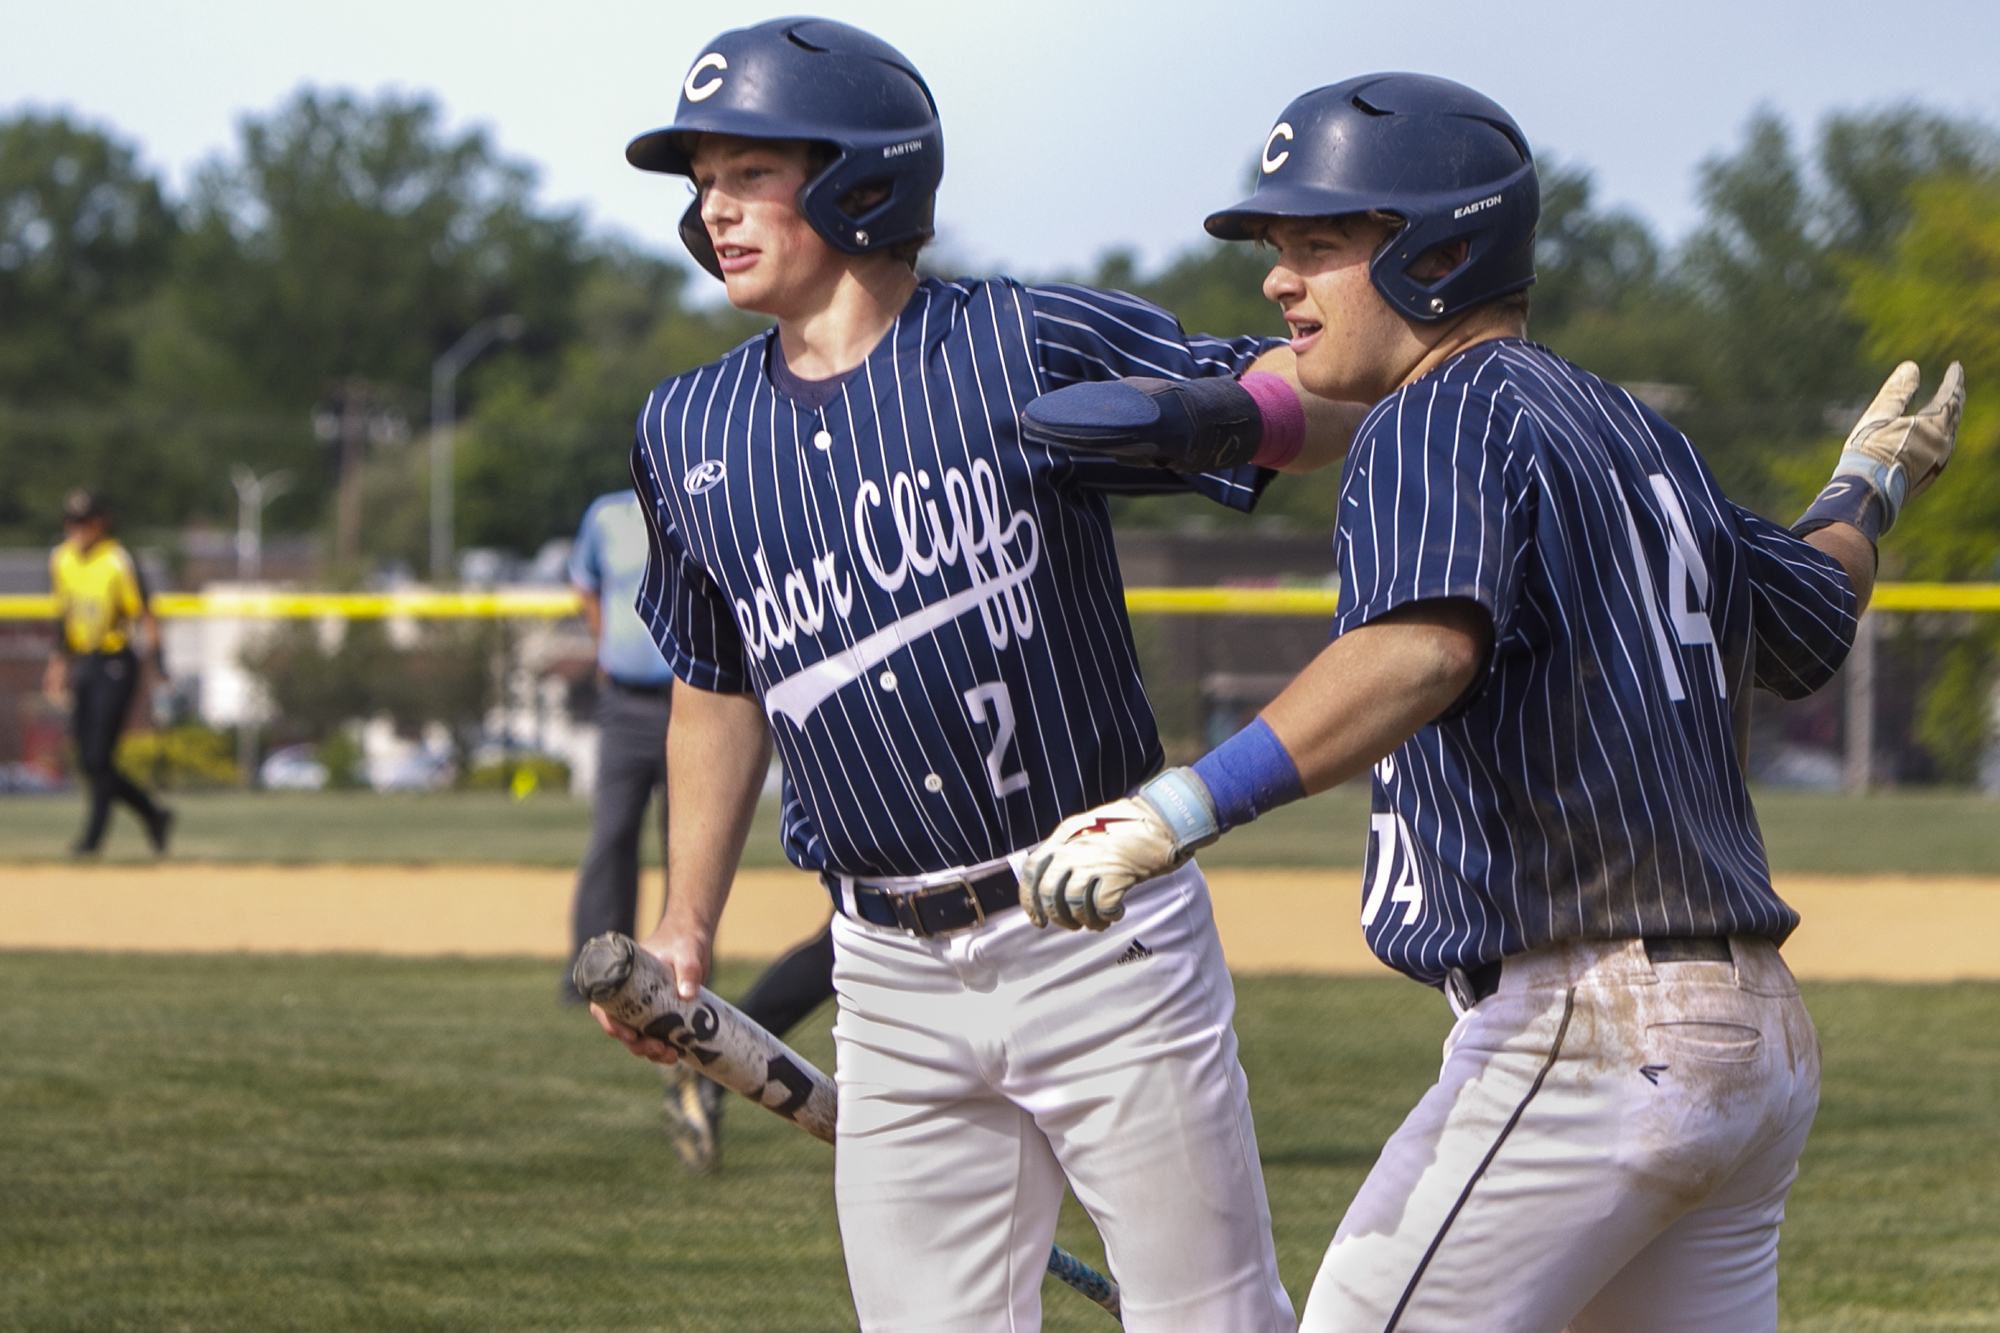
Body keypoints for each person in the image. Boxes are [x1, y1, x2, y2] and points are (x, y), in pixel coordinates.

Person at [1017, 74, 1963, 1333]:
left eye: (1315, 245)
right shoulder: (1633, 433)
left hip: (1591, 1025)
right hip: (1750, 1042)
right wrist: (1868, 488)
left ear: (1437, 254)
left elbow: (1420, 650)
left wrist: (1178, 804)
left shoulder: (1433, 414)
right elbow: (1806, 615)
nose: (1275, 281)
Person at [590, 18, 1357, 1330]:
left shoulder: (1025, 339)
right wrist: (687, 924)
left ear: (861, 177)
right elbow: (717, 682)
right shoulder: (687, 427)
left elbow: (1331, 403)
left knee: (1210, 1316)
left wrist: (1203, 414)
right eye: (698, 180)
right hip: (883, 973)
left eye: (747, 170)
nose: (712, 208)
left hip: (1098, 933)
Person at [566, 486, 840, 1175]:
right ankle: (702, 1047)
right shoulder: (612, 516)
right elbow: (586, 585)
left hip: (711, 693)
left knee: (850, 940)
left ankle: (708, 1050)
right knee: (856, 936)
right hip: (642, 701)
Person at [42, 489, 173, 856]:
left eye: (85, 521)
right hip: (85, 661)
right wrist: (58, 665)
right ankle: (153, 813)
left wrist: (159, 662)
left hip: (117, 661)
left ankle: (92, 840)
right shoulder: (62, 560)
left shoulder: (116, 560)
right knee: (87, 760)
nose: (77, 529)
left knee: (99, 756)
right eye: (71, 521)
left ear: (101, 523)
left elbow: (145, 612)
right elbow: (63, 617)